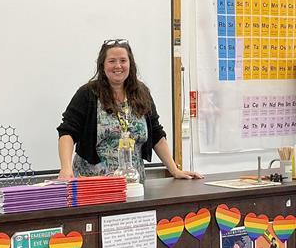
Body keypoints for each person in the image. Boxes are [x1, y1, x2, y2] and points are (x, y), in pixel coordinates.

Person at [57, 39, 203, 181]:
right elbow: (68, 132)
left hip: (133, 182)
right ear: (102, 65)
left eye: (123, 60)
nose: (118, 66)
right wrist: (65, 168)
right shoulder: (87, 93)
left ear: (130, 64)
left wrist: (174, 170)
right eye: (112, 61)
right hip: (95, 183)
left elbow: (156, 134)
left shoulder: (142, 92)